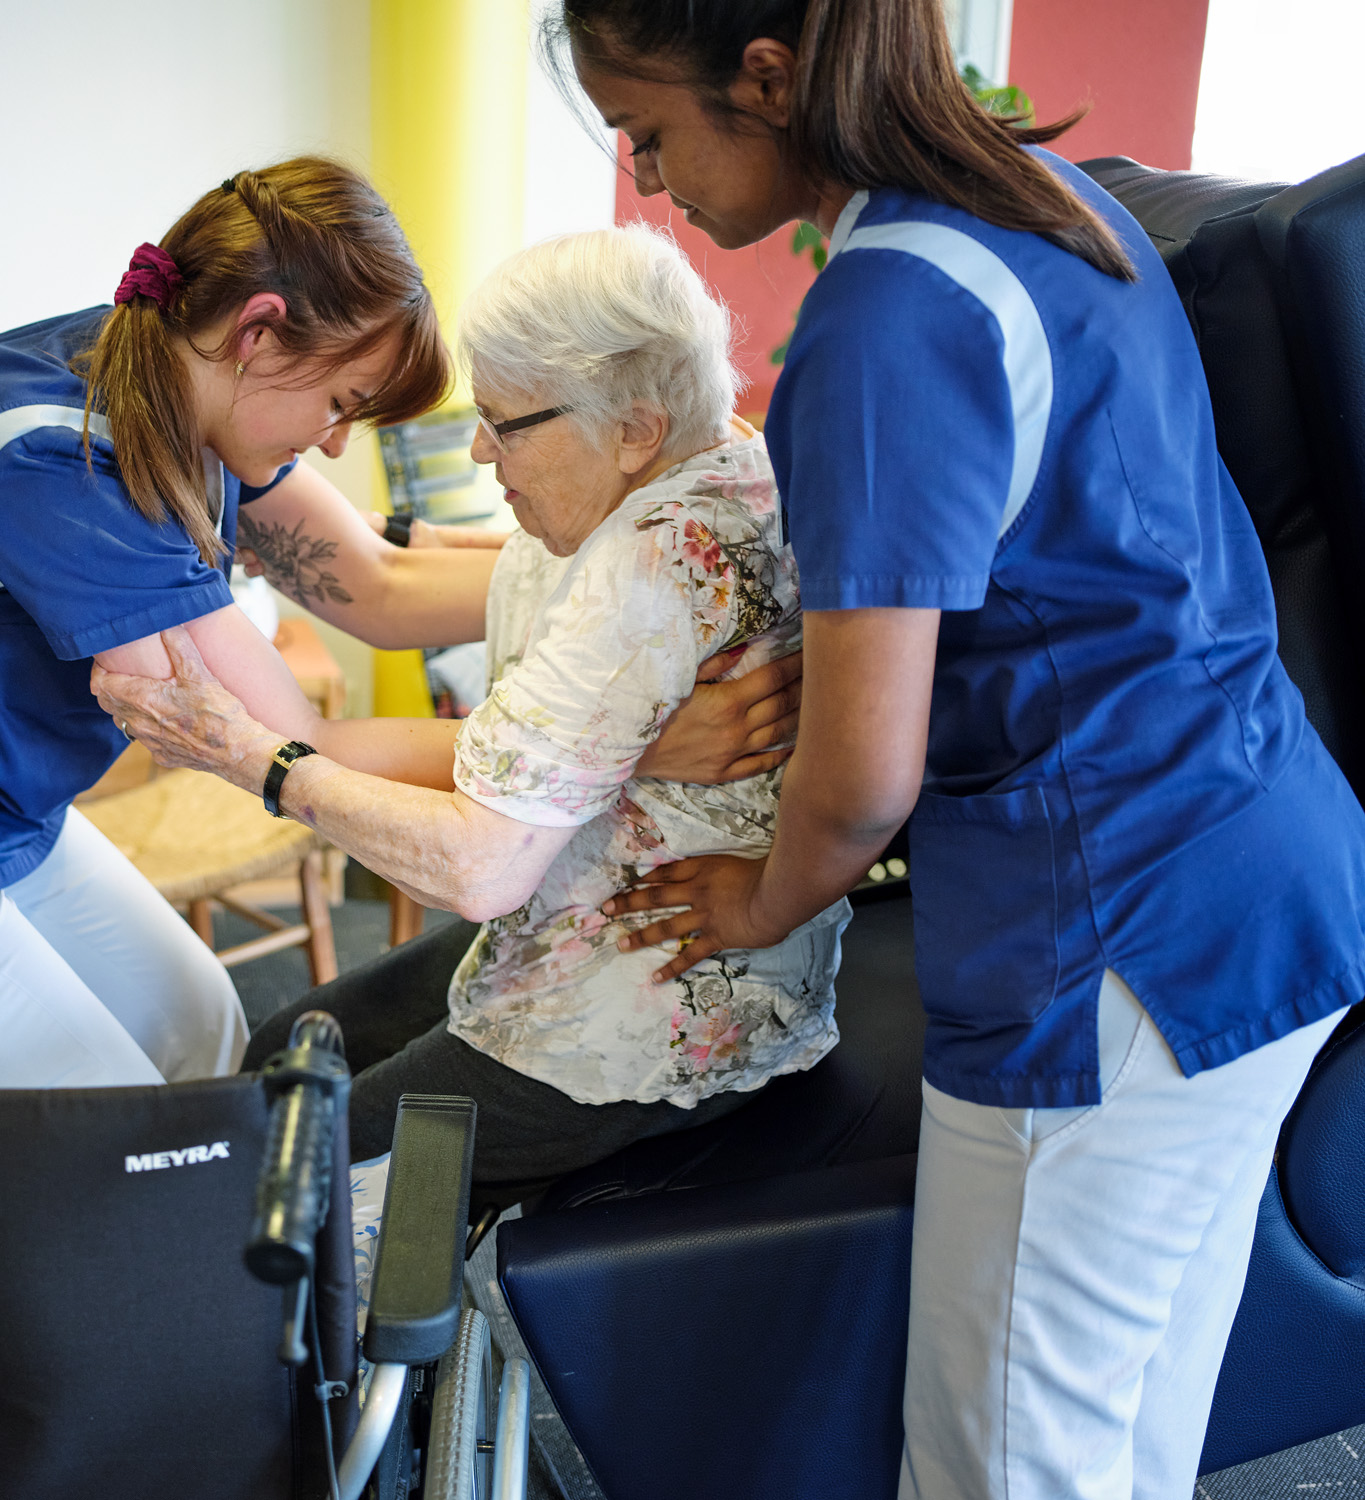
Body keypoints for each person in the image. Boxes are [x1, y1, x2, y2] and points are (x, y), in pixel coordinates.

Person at [550, 2, 1365, 1498]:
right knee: (1126, 1427)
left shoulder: (881, 316)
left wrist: (755, 901)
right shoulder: (1045, 192)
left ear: (770, 74)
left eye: (647, 130)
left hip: (1116, 939)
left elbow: (862, 777)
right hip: (1264, 850)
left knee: (1004, 1460)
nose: (645, 172)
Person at [0, 154, 798, 1092]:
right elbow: (301, 746)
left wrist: (618, 554)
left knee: (199, 1038)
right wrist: (621, 744)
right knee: (96, 1121)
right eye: (341, 403)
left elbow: (382, 591)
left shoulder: (176, 380)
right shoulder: (60, 469)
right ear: (261, 333)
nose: (341, 441)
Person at [95, 224, 847, 1183]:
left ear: (634, 427)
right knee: (291, 1042)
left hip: (630, 1004)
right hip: (595, 923)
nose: (482, 452)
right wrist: (632, 751)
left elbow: (476, 864)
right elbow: (395, 580)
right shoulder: (723, 454)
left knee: (273, 1155)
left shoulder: (644, 566)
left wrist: (257, 758)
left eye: (505, 422)